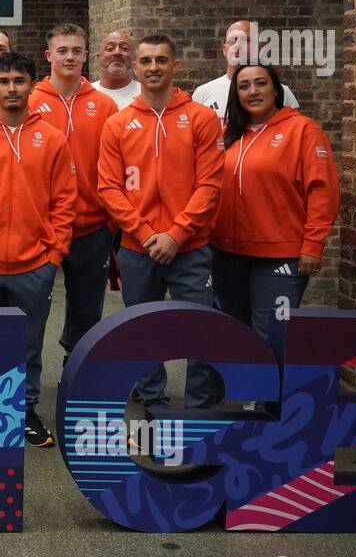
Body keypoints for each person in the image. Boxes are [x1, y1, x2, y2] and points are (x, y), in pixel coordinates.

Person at [0, 52, 76, 447]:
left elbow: (63, 201)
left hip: (33, 265)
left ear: (32, 85)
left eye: (19, 81)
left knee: (29, 343)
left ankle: (25, 411)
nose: (11, 89)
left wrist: (53, 256)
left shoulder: (52, 138)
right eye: (3, 81)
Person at [96, 33, 224, 410]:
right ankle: (154, 402)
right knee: (143, 330)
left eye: (161, 60)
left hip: (192, 247)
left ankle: (200, 406)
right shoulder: (117, 124)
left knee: (200, 329)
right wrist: (149, 234)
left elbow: (210, 185)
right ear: (136, 67)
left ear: (175, 66)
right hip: (138, 248)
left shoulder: (201, 119)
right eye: (146, 61)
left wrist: (176, 234)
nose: (153, 68)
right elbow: (108, 188)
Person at [212, 62, 338, 348]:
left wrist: (313, 245)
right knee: (234, 332)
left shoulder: (303, 130)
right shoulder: (227, 135)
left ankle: (273, 395)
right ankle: (242, 390)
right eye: (244, 86)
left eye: (261, 83)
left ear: (276, 90)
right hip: (229, 253)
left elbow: (322, 192)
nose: (253, 92)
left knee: (271, 335)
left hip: (280, 254)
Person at [30, 23, 119, 367]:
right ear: (48, 55)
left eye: (76, 51)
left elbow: (113, 166)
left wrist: (108, 220)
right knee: (35, 305)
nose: (69, 57)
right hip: (41, 228)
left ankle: (77, 367)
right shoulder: (31, 101)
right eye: (62, 50)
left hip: (92, 226)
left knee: (86, 307)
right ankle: (27, 377)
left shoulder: (105, 105)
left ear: (86, 55)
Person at [193, 20, 300, 122]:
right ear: (224, 49)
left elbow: (295, 132)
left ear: (259, 49)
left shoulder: (281, 92)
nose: (238, 45)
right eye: (233, 40)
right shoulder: (202, 93)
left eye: (247, 40)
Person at [92, 30, 140, 111]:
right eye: (110, 48)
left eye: (124, 48)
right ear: (98, 57)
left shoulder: (146, 95)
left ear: (134, 58)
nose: (117, 52)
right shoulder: (86, 94)